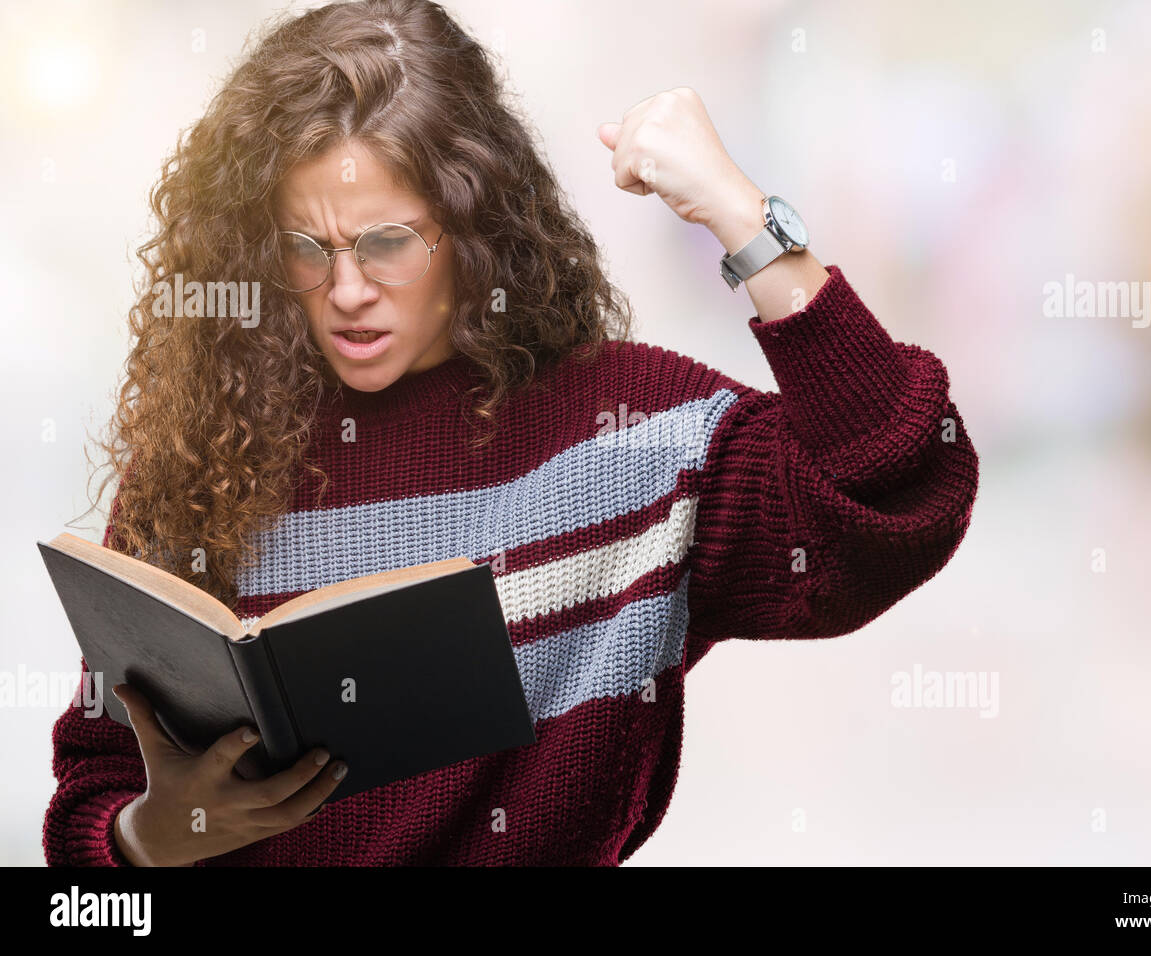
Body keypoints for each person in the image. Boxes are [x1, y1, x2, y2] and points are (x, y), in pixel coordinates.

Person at [44, 0, 979, 866]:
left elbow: (899, 492)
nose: (348, 289)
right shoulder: (210, 451)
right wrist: (150, 836)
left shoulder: (629, 437)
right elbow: (88, 821)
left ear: (473, 225)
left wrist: (740, 212)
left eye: (387, 243)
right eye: (305, 248)